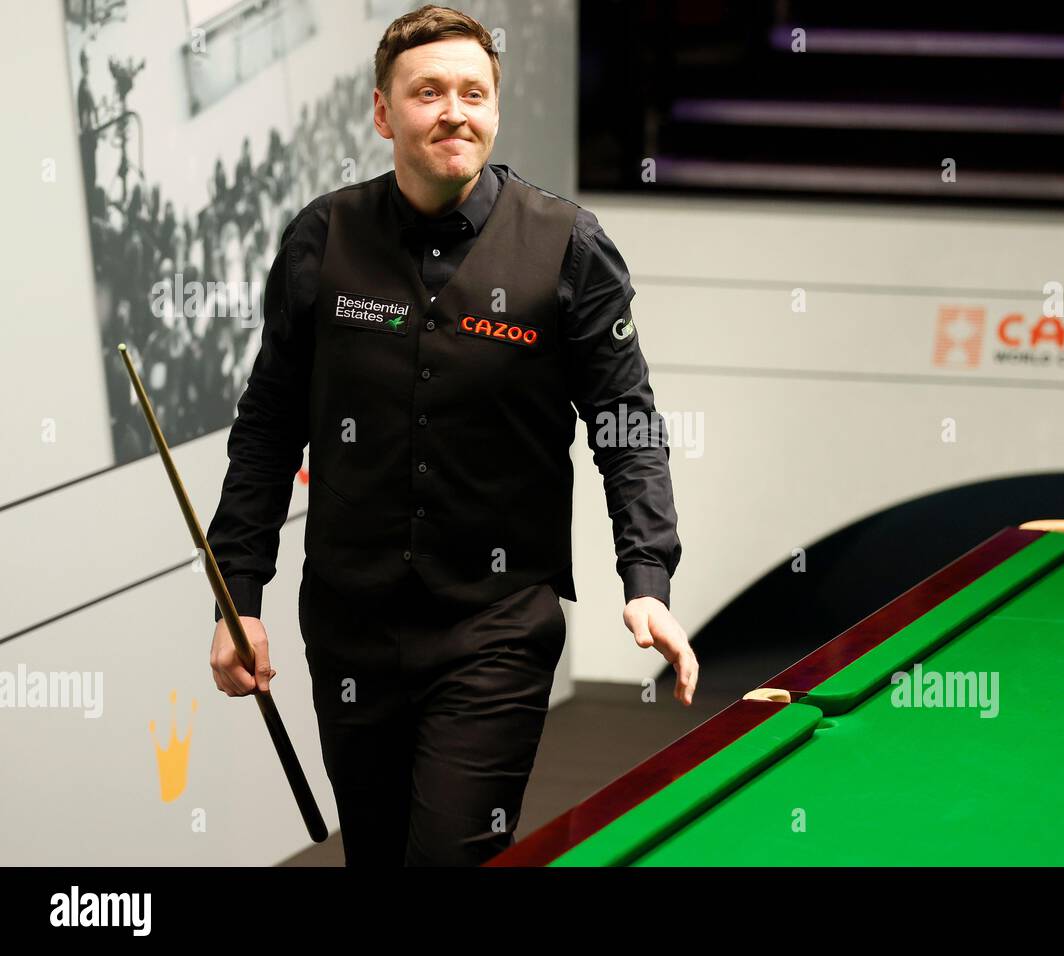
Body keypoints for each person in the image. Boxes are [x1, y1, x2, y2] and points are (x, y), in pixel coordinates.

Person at [204, 4, 696, 866]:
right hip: (350, 626)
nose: (453, 111)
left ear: (495, 110)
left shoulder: (568, 246)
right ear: (383, 113)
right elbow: (268, 429)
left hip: (494, 630)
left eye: (473, 92)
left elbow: (626, 425)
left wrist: (646, 572)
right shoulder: (323, 239)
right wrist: (236, 595)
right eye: (427, 92)